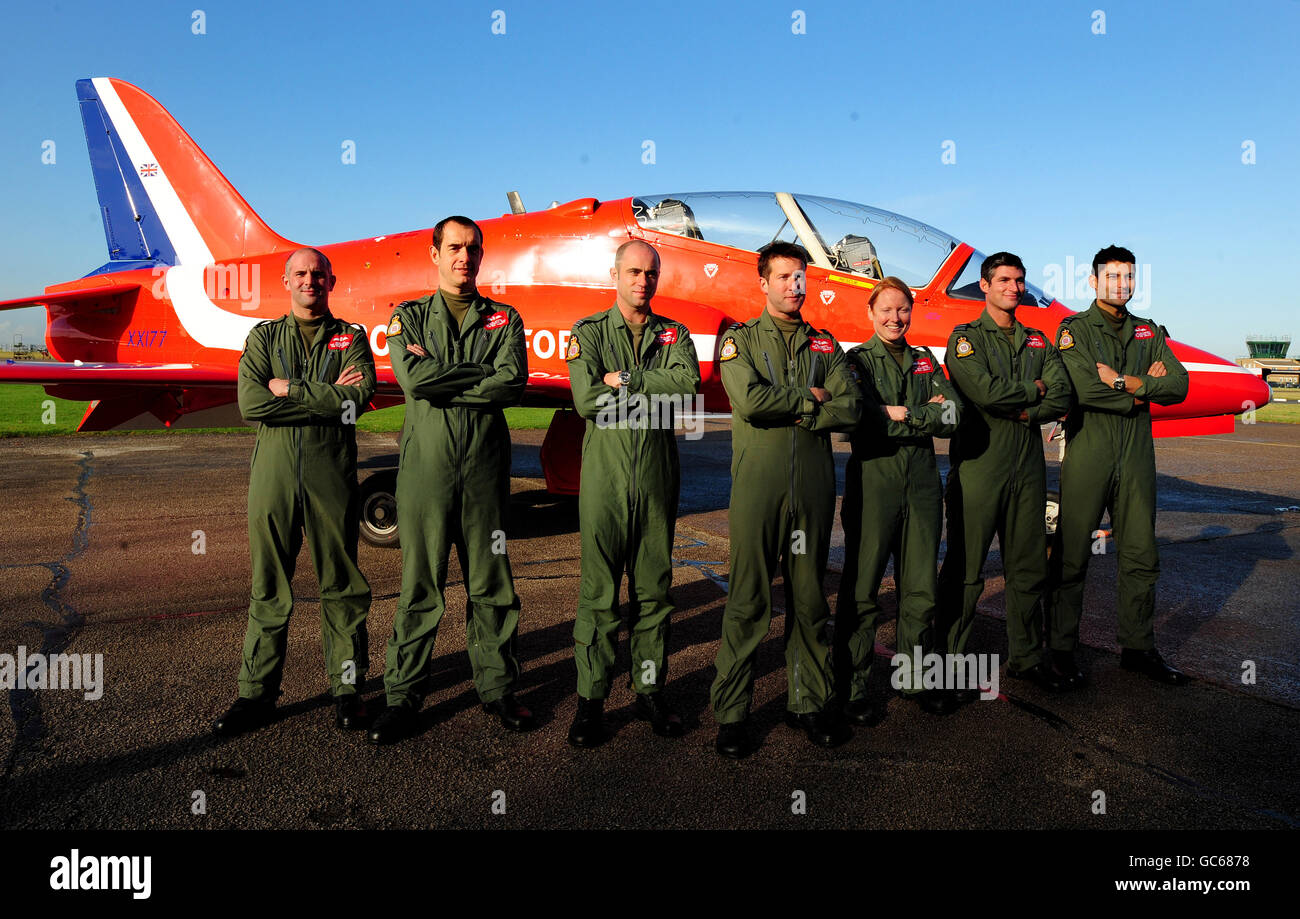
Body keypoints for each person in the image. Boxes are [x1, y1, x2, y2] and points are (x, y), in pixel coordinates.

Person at [368, 216, 532, 744]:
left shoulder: (505, 318)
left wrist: (445, 375)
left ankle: (499, 688)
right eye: (455, 247)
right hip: (426, 476)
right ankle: (402, 696)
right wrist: (474, 374)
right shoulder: (408, 317)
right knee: (421, 585)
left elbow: (511, 385)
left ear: (481, 258)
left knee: (492, 585)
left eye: (473, 249)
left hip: (485, 474)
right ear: (435, 254)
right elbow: (414, 380)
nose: (465, 256)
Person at [215, 247, 376, 736]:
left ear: (331, 281)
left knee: (342, 585)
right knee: (269, 586)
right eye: (301, 273)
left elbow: (358, 398)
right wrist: (323, 396)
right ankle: (256, 695)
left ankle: (346, 689)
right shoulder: (263, 337)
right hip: (275, 476)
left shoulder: (351, 338)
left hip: (331, 476)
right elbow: (250, 403)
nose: (310, 280)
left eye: (318, 274)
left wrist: (290, 389)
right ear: (286, 281)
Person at [710, 241, 862, 758]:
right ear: (763, 282)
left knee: (809, 601)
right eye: (783, 277)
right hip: (759, 489)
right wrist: (808, 400)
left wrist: (803, 411)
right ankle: (732, 715)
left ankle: (809, 703)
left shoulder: (826, 345)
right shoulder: (740, 341)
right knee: (749, 603)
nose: (794, 286)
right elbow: (750, 402)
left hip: (814, 490)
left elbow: (851, 407)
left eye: (800, 277)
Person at [564, 240, 701, 747]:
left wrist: (626, 380)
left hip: (656, 479)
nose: (642, 281)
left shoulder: (674, 333)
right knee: (599, 596)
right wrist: (647, 392)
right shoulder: (589, 332)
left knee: (654, 593)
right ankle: (591, 700)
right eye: (633, 272)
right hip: (605, 480)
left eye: (650, 273)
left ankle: (649, 690)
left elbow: (687, 389)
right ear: (615, 274)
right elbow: (587, 401)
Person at [1046, 246, 1189, 685]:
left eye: (1128, 277)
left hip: (1136, 454)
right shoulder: (1074, 331)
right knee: (1072, 554)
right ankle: (1061, 650)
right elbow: (1086, 390)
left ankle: (1139, 648)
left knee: (1141, 553)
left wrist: (1124, 380)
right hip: (1091, 448)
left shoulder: (1148, 331)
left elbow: (1179, 385)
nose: (1121, 285)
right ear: (1093, 281)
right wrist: (1147, 388)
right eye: (1112, 277)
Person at [936, 252, 1071, 697]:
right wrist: (1033, 393)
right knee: (965, 571)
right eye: (1004, 281)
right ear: (985, 285)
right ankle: (948, 666)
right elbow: (983, 393)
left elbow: (1063, 392)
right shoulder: (965, 340)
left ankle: (1027, 659)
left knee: (1029, 570)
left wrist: (1025, 406)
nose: (1013, 288)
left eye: (1019, 281)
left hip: (1028, 470)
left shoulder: (1038, 340)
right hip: (979, 467)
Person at [835, 277, 963, 722]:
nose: (895, 318)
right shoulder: (856, 363)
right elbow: (857, 417)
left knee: (920, 591)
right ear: (871, 314)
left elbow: (952, 415)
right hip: (874, 485)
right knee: (863, 592)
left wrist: (902, 413)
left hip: (922, 488)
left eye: (903, 310)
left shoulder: (925, 360)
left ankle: (915, 681)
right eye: (886, 310)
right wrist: (916, 416)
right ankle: (851, 689)